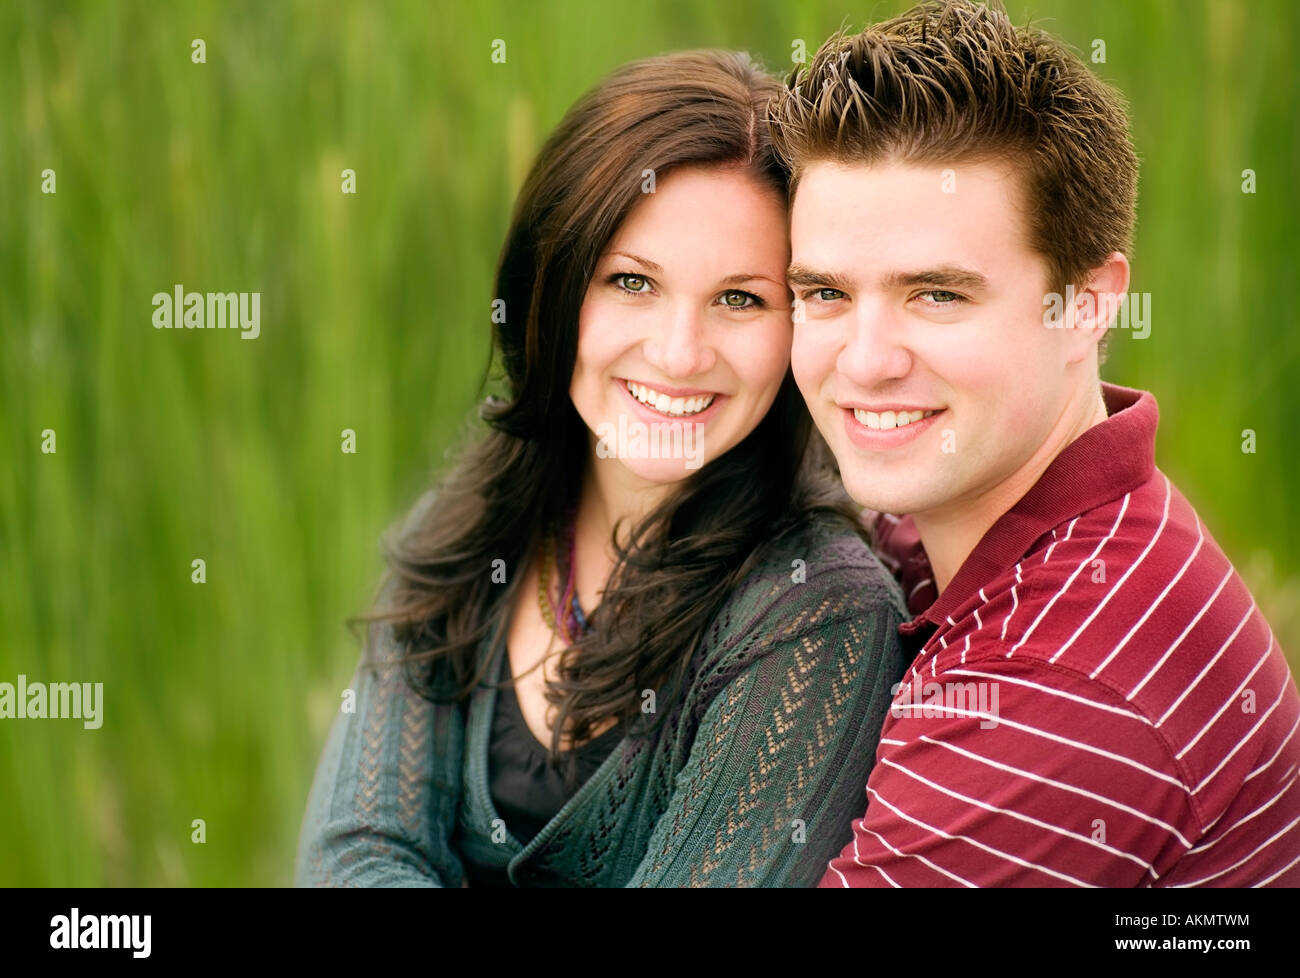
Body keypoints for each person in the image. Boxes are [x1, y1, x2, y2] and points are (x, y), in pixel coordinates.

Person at [294, 49, 908, 888]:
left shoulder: (816, 611)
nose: (679, 353)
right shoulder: (475, 514)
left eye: (740, 298)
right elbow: (355, 853)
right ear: (550, 285)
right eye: (630, 281)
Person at [767, 0, 1300, 886]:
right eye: (824, 293)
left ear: (1087, 303)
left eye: (937, 295)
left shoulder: (1059, 689)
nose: (863, 361)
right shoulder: (991, 525)